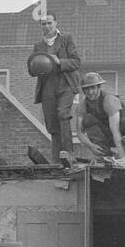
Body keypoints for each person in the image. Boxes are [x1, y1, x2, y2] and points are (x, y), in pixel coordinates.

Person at [27, 14, 82, 161]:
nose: (47, 26)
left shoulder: (66, 39)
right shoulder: (38, 46)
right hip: (47, 87)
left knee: (63, 115)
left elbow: (76, 62)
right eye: (43, 24)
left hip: (65, 84)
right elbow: (32, 70)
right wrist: (36, 67)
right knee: (52, 124)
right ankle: (57, 159)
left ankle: (69, 154)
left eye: (49, 23)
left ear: (56, 23)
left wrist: (60, 62)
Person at [76, 73, 125, 160]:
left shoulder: (109, 101)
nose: (90, 92)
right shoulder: (83, 105)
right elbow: (79, 132)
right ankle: (105, 155)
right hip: (107, 135)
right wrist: (91, 146)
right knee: (88, 120)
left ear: (99, 87)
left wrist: (122, 156)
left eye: (93, 88)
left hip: (123, 134)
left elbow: (115, 131)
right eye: (86, 89)